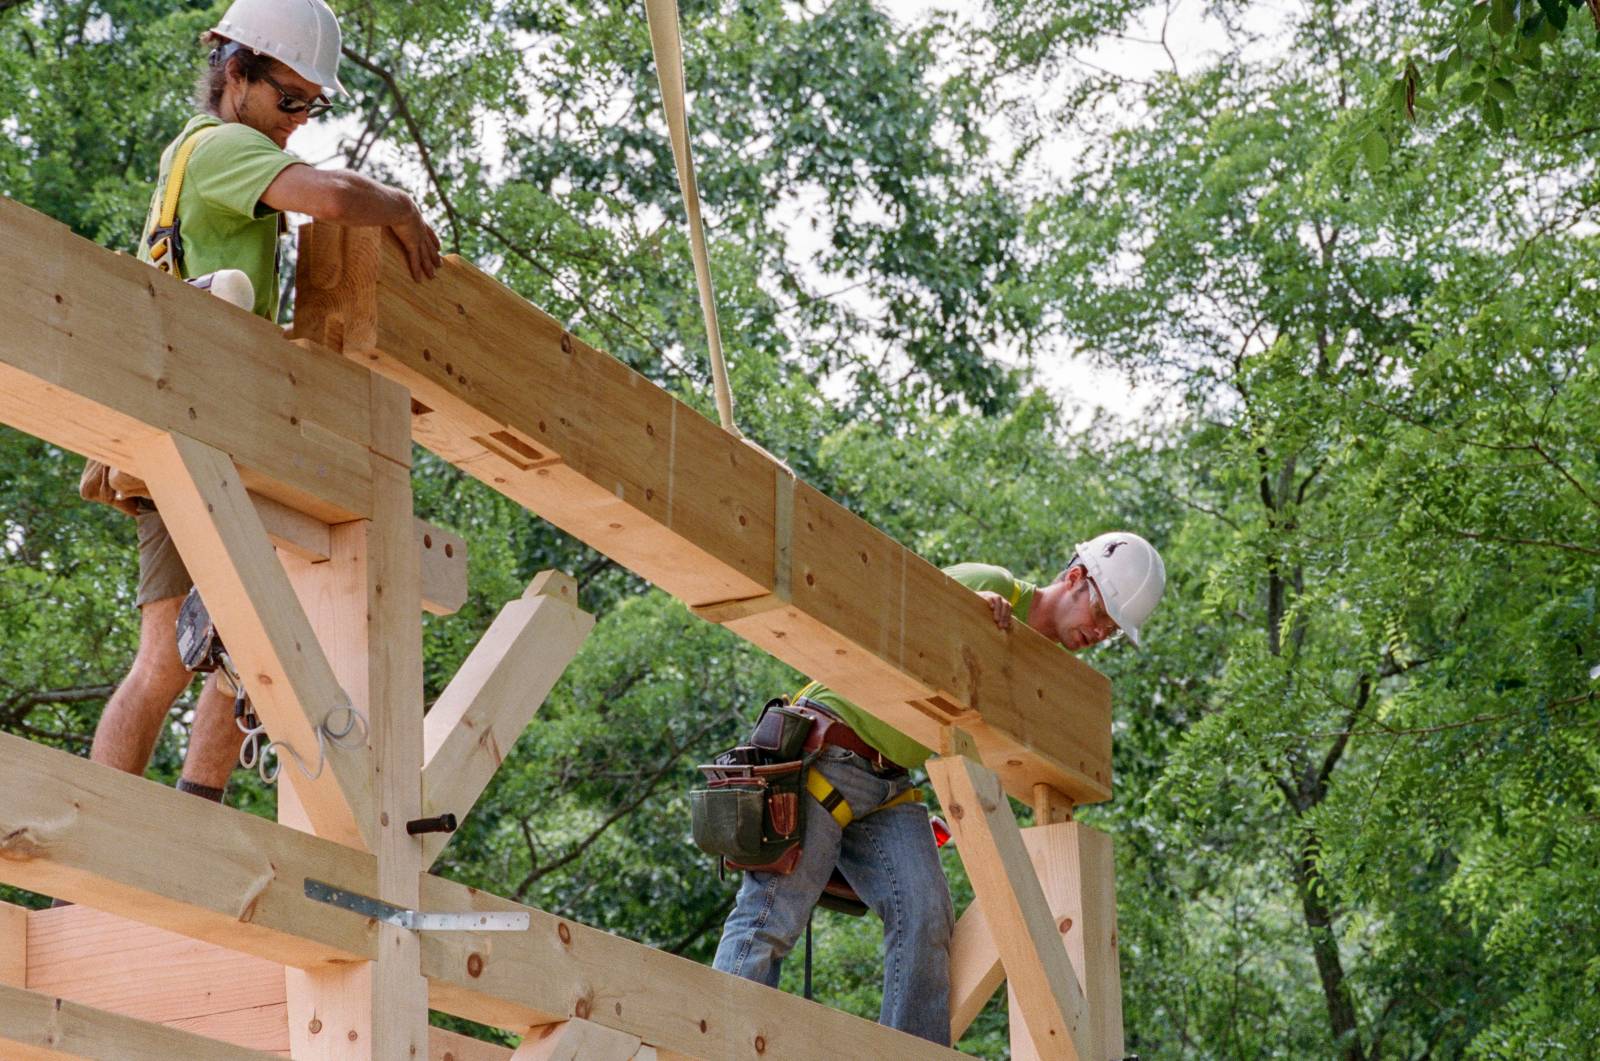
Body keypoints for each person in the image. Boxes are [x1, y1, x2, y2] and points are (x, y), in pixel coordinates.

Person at [88, 0, 442, 808]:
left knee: (248, 642)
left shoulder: (231, 159)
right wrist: (403, 206)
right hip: (183, 428)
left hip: (218, 427)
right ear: (235, 74)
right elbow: (337, 199)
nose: (298, 123)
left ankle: (192, 818)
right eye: (290, 101)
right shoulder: (220, 148)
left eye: (313, 108)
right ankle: (96, 843)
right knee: (165, 660)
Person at [711, 532, 1167, 1045]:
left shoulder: (1042, 672)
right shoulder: (991, 588)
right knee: (775, 913)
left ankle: (911, 1053)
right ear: (1077, 579)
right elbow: (895, 612)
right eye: (1102, 615)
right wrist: (961, 611)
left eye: (1112, 630)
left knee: (927, 916)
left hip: (889, 783)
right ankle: (718, 1044)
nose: (1101, 633)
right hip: (832, 749)